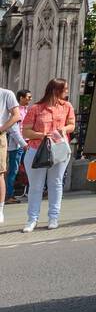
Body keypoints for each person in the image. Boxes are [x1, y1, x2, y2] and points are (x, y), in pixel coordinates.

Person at [21, 78, 75, 232]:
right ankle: (32, 219)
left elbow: (72, 125)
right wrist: (43, 134)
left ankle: (53, 217)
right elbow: (25, 131)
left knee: (56, 183)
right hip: (37, 149)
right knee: (36, 186)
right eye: (64, 89)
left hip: (59, 149)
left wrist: (63, 130)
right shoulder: (36, 108)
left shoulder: (67, 106)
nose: (67, 92)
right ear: (55, 90)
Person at [0, 86, 22, 226]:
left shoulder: (6, 94)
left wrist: (1, 129)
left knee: (0, 173)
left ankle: (0, 209)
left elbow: (16, 115)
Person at [5, 88, 31, 205]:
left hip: (26, 142)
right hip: (17, 145)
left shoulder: (26, 110)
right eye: (28, 97)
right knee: (13, 170)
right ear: (21, 98)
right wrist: (23, 144)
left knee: (30, 168)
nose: (30, 99)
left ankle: (30, 191)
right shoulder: (15, 112)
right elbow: (14, 130)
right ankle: (9, 195)